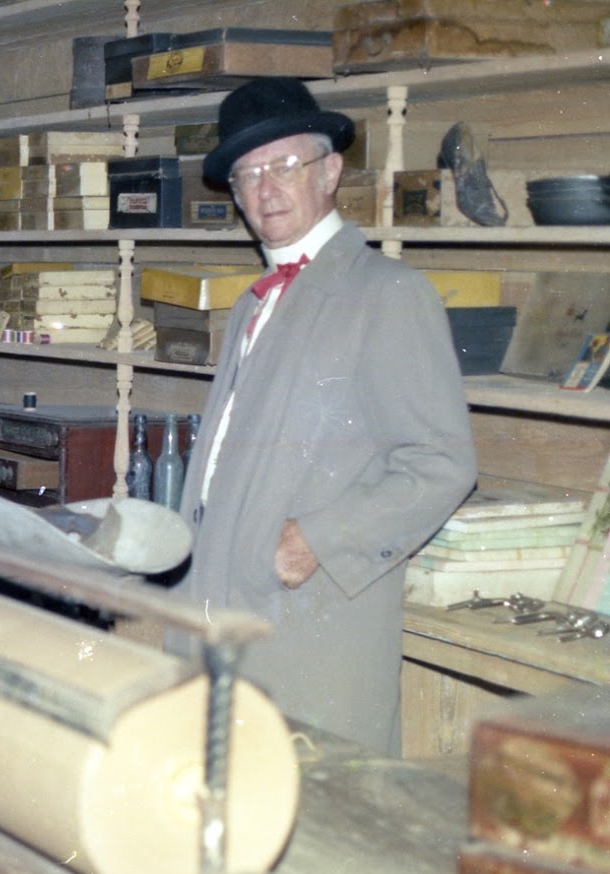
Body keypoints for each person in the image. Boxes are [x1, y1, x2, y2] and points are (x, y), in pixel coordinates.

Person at [172, 78, 477, 755]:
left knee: (317, 840)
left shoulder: (388, 294)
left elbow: (443, 462)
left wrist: (319, 537)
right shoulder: (253, 306)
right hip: (219, 634)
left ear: (331, 170)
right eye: (247, 174)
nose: (264, 190)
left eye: (284, 166)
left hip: (310, 643)